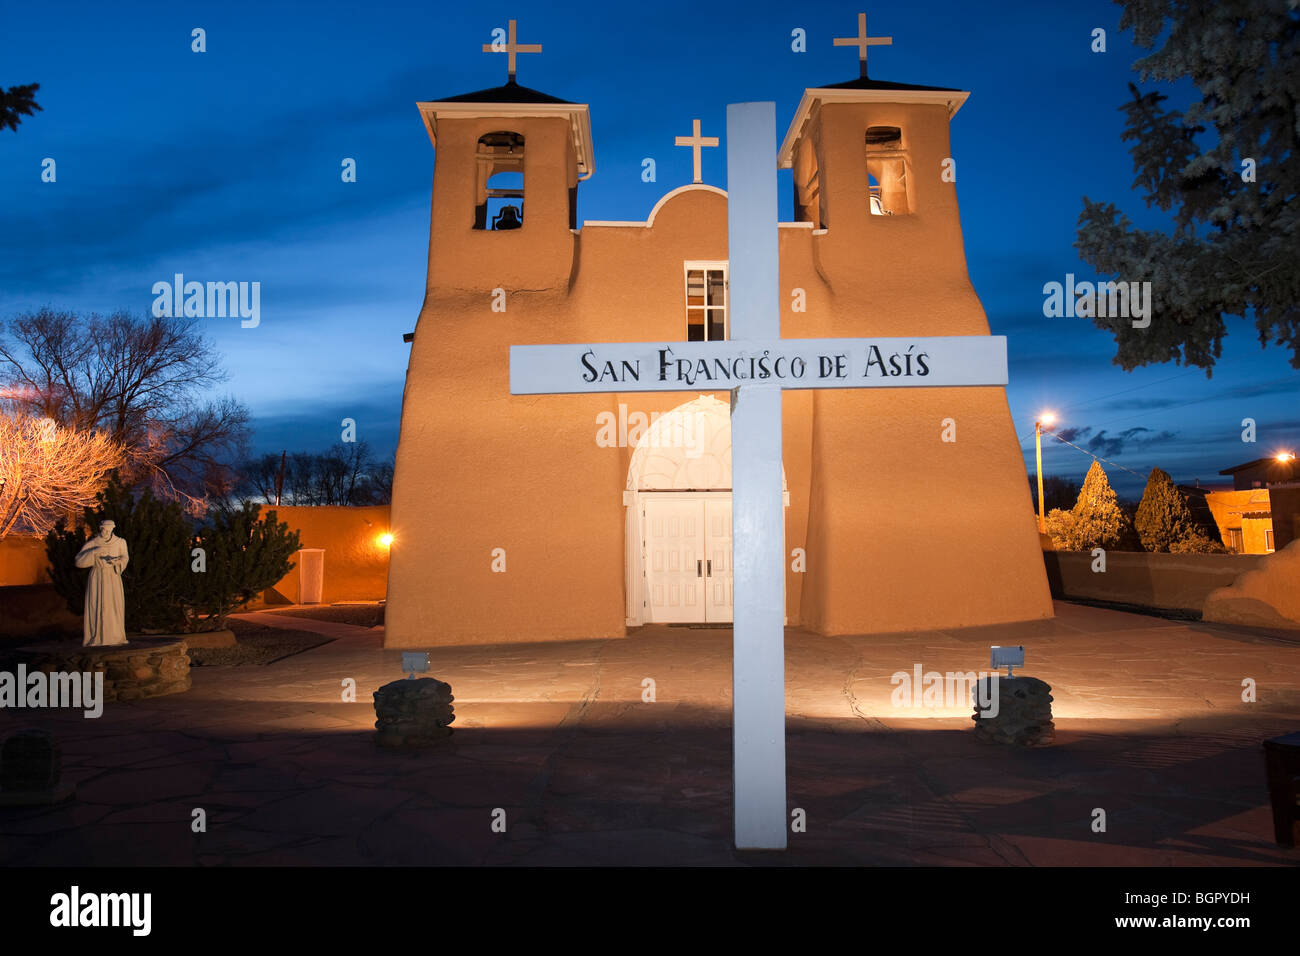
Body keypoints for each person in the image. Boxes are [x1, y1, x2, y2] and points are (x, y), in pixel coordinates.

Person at [75, 519, 129, 647]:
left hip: (113, 577)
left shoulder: (120, 542)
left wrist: (118, 562)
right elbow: (78, 561)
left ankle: (115, 636)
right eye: (104, 529)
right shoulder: (94, 543)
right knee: (97, 604)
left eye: (109, 530)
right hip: (97, 577)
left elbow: (125, 557)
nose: (106, 532)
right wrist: (94, 552)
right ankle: (97, 636)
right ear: (101, 528)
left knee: (114, 605)